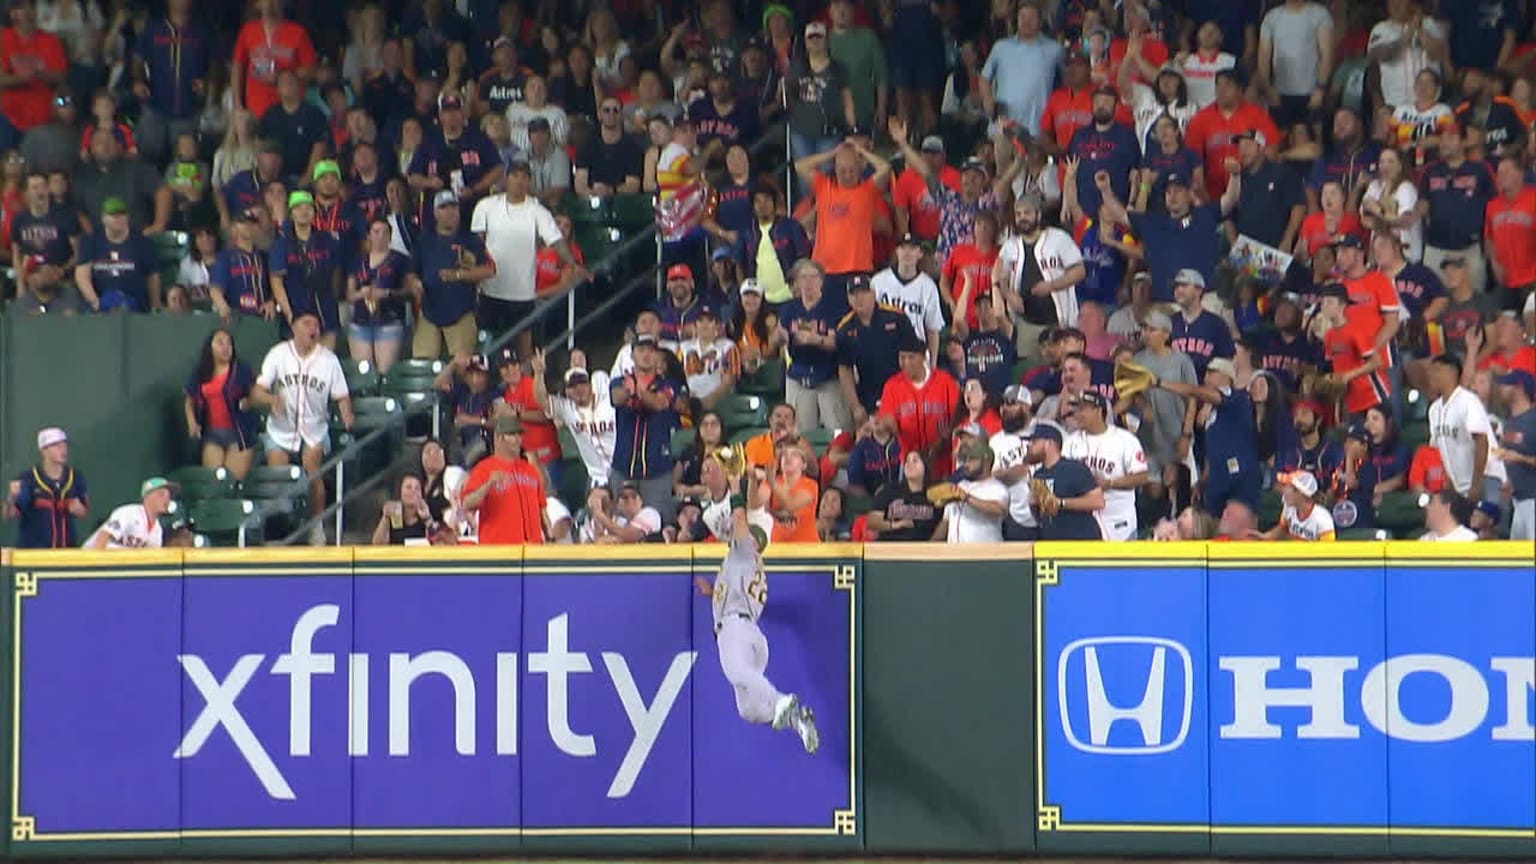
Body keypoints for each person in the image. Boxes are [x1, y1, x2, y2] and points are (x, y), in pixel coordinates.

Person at [692, 485, 819, 753]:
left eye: (750, 535)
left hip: (735, 631)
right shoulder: (751, 566)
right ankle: (797, 721)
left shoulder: (743, 553)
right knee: (748, 710)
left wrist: (737, 488)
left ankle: (783, 701)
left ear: (754, 542)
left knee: (737, 673)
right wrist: (712, 592)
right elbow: (739, 595)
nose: (744, 535)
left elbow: (738, 519)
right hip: (752, 636)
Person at [252, 310, 354, 545]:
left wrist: (346, 413)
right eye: (307, 323)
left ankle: (316, 527)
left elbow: (342, 395)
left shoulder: (329, 360)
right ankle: (282, 528)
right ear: (294, 327)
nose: (313, 329)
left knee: (312, 468)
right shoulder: (278, 354)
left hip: (314, 430)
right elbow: (258, 391)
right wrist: (271, 400)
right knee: (279, 476)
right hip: (280, 431)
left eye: (317, 325)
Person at [470, 159, 583, 356]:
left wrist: (573, 264)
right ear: (506, 179)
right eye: (515, 176)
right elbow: (476, 245)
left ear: (529, 182)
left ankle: (528, 385)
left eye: (524, 177)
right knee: (486, 344)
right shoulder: (486, 206)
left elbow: (556, 241)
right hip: (490, 289)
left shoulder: (538, 211)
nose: (519, 181)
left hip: (523, 293)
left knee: (524, 348)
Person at [1157, 357, 1262, 514]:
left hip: (1240, 475)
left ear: (1226, 375)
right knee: (1213, 526)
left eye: (1212, 372)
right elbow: (1212, 447)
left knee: (1242, 523)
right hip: (1217, 478)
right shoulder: (1209, 411)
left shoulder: (1236, 397)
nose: (1206, 376)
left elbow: (1195, 391)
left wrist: (1159, 383)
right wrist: (1204, 480)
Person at [406, 189, 495, 359]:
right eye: (444, 208)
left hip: (461, 312)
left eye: (453, 207)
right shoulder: (424, 240)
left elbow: (490, 269)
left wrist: (459, 275)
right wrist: (415, 284)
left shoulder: (471, 239)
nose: (450, 212)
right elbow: (411, 273)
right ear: (435, 213)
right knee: (422, 361)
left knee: (462, 365)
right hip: (429, 311)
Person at [1062, 390, 1149, 540]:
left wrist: (1110, 483)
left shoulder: (1125, 440)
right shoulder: (1070, 442)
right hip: (1084, 521)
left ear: (1099, 411)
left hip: (1119, 519)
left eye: (1083, 409)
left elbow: (1141, 477)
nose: (1078, 413)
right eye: (1077, 409)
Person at [183, 327, 258, 481]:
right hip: (212, 434)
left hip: (238, 434)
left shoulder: (241, 369)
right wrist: (192, 422)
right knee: (214, 482)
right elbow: (189, 400)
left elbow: (256, 393)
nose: (225, 347)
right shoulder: (202, 371)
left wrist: (248, 402)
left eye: (229, 344)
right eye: (220, 343)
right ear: (210, 347)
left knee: (231, 483)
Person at [532, 352, 616, 491]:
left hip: (621, 471)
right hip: (597, 477)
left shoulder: (609, 400)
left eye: (582, 383)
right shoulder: (566, 408)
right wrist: (539, 373)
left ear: (590, 385)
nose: (578, 389)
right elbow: (542, 399)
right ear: (567, 391)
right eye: (573, 386)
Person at [270, 190, 343, 347]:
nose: (304, 212)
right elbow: (276, 282)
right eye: (298, 208)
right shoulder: (282, 244)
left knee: (324, 363)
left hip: (325, 312)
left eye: (308, 208)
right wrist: (289, 314)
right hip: (297, 313)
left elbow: (336, 272)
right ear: (291, 214)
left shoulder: (326, 239)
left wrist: (333, 300)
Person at [461, 415, 547, 545]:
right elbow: (467, 504)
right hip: (500, 551)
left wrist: (550, 536)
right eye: (512, 435)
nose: (518, 440)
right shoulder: (484, 469)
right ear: (499, 437)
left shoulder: (529, 469)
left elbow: (541, 509)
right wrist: (488, 485)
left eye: (519, 435)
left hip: (532, 549)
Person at [3, 426, 88, 548]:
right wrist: (11, 497)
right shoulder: (28, 479)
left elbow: (83, 512)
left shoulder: (75, 477)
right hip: (34, 553)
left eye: (65, 446)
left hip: (67, 552)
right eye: (57, 446)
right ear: (44, 450)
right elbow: (9, 514)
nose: (63, 450)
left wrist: (79, 510)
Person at [346, 218, 411, 374]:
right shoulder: (357, 261)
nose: (380, 236)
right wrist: (361, 293)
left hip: (389, 321)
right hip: (361, 322)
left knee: (385, 372)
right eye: (376, 232)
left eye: (385, 232)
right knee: (364, 374)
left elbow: (408, 291)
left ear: (390, 236)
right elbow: (349, 295)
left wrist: (387, 293)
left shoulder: (400, 260)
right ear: (368, 235)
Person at [75, 196, 159, 313]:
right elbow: (82, 275)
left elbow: (152, 277)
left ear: (128, 217)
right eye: (113, 216)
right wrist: (96, 303)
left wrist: (155, 306)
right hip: (100, 310)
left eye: (121, 215)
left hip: (136, 309)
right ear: (104, 218)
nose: (118, 219)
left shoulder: (142, 243)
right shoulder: (91, 241)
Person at [1426, 353, 1493, 499]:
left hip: (1485, 481)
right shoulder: (1434, 410)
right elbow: (1440, 448)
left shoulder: (1468, 401)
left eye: (1437, 370)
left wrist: (1476, 485)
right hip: (1458, 488)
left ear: (1452, 373)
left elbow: (1482, 442)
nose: (1432, 375)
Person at [1024, 421, 1105, 540]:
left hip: (1080, 541)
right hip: (1051, 542)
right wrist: (1034, 503)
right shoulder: (1038, 475)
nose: (1029, 445)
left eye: (1034, 441)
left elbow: (1098, 502)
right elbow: (1039, 516)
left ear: (1049, 443)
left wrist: (1060, 503)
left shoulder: (1074, 468)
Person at [935, 440, 1009, 543]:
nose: (966, 464)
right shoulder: (960, 485)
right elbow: (946, 521)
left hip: (983, 553)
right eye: (966, 460)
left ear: (986, 461)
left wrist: (967, 498)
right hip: (954, 553)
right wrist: (929, 546)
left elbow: (999, 510)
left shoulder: (997, 488)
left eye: (972, 460)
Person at [1492, 369, 1536, 540]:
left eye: (1506, 384)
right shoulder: (1509, 422)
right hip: (1518, 502)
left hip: (1534, 500)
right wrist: (1510, 483)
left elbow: (1518, 457)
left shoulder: (1533, 418)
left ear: (1518, 387)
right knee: (1520, 561)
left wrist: (1520, 458)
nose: (1501, 388)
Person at [83, 477, 176, 550]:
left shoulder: (157, 530)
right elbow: (101, 539)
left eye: (168, 497)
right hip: (88, 561)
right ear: (147, 497)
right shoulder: (128, 513)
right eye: (161, 494)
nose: (166, 500)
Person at [1254, 469, 1337, 540]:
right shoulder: (1289, 507)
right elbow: (1283, 528)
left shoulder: (1322, 520)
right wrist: (1265, 537)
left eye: (1288, 487)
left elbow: (1327, 553)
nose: (1284, 491)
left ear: (1300, 493)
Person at [584, 483, 663, 543]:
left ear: (641, 501)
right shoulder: (622, 523)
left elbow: (628, 536)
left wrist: (599, 513)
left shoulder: (649, 513)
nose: (630, 500)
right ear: (617, 505)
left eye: (633, 496)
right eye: (624, 497)